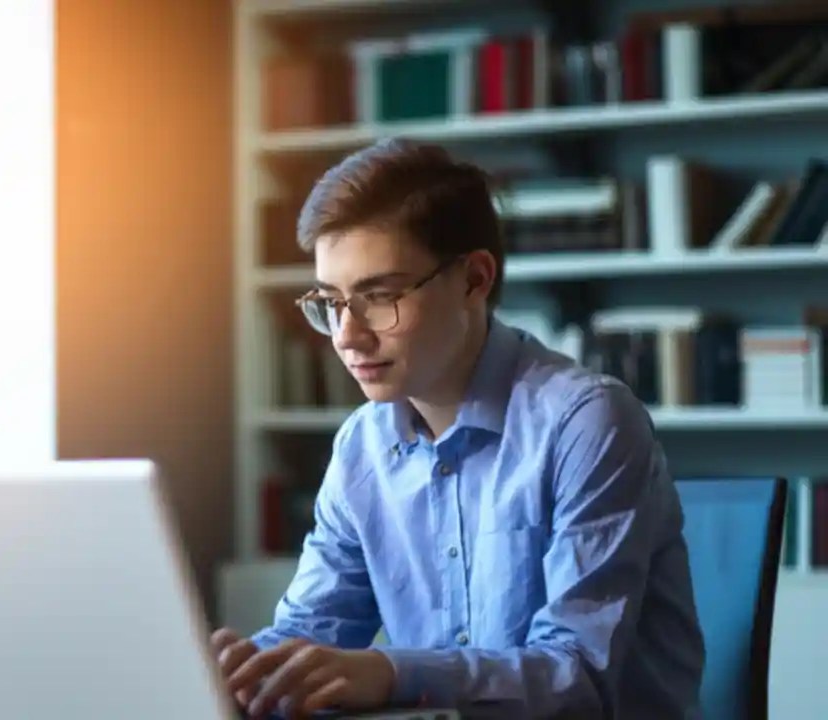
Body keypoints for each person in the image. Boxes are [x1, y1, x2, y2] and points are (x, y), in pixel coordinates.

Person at [212, 140, 704, 719]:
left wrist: (392, 670)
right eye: (330, 301)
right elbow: (309, 635)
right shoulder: (362, 448)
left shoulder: (587, 422)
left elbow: (578, 677)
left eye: (380, 297)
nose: (347, 335)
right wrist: (244, 673)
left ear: (474, 279)